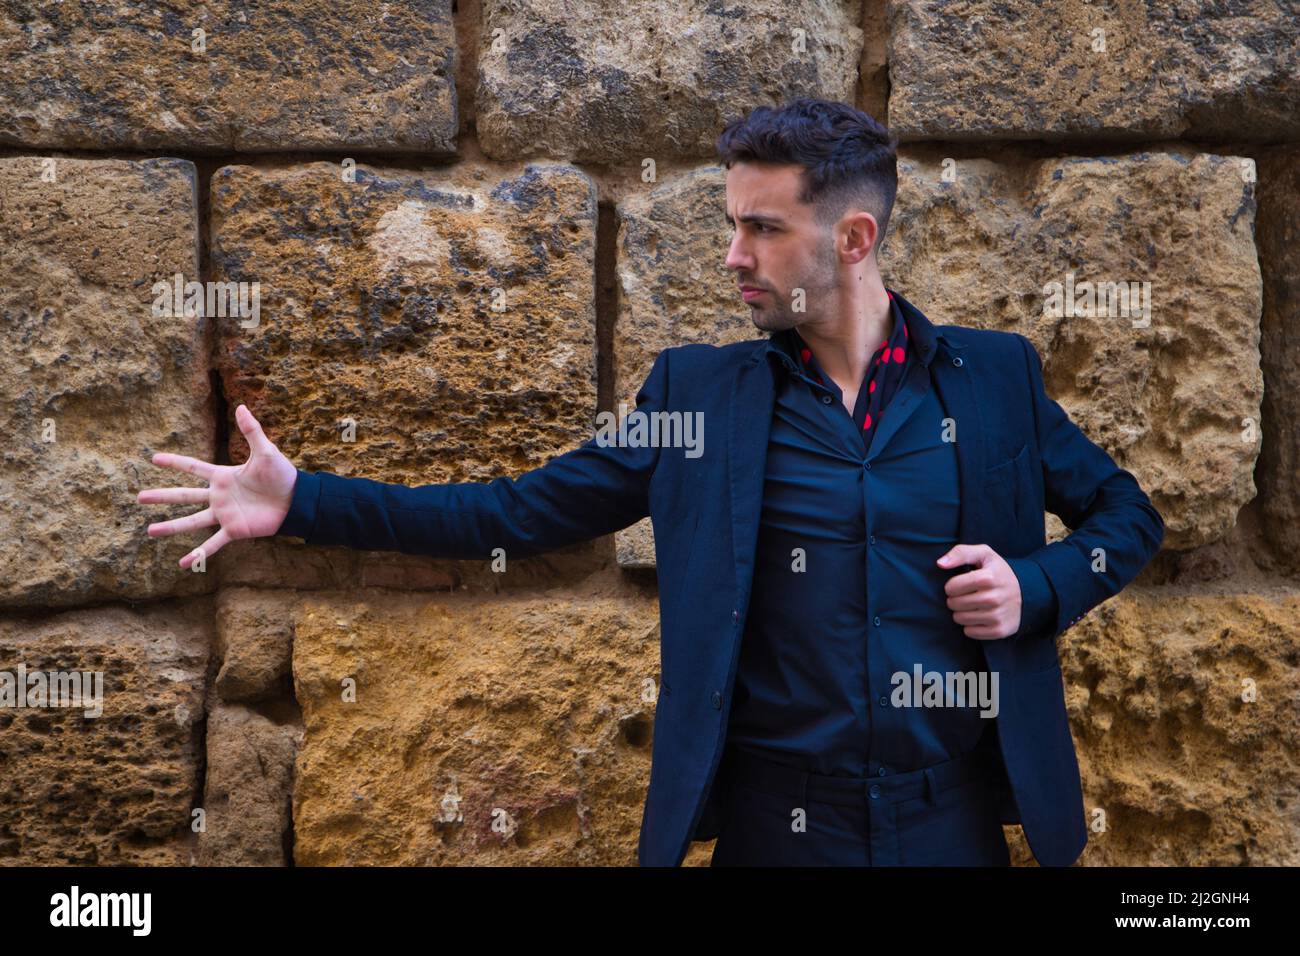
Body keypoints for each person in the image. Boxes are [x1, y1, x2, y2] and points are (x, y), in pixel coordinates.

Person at [138, 97, 1164, 867]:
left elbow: (1128, 515)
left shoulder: (992, 378)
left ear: (852, 239)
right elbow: (516, 510)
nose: (732, 255)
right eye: (732, 223)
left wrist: (1038, 585)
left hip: (953, 820)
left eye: (761, 227)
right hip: (772, 825)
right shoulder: (699, 397)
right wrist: (301, 497)